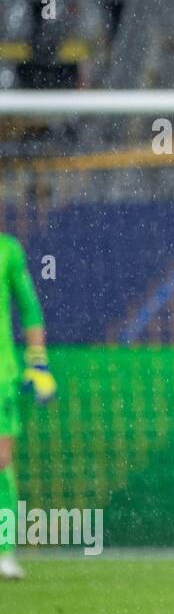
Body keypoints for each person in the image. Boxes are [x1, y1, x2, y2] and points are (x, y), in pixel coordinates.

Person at [0, 233, 57, 580]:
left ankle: (4, 551)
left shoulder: (8, 250)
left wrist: (38, 362)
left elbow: (29, 307)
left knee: (1, 462)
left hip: (1, 373)